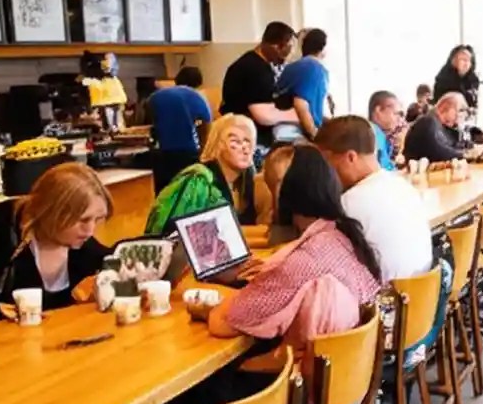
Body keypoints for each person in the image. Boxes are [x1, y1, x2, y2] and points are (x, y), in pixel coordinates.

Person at [202, 146, 382, 357]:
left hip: (294, 383)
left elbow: (222, 323)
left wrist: (205, 310)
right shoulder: (343, 237)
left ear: (287, 194)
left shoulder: (302, 263)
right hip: (346, 373)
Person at [0, 163, 112, 338]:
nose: (90, 230)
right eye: (83, 220)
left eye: (98, 220)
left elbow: (111, 263)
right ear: (53, 212)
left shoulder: (81, 248)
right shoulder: (0, 246)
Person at [315, 116, 432, 281]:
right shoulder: (405, 187)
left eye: (326, 162)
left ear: (350, 157)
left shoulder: (347, 205)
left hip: (383, 302)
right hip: (423, 297)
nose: (324, 172)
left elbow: (320, 263)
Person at [144, 114, 258, 236]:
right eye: (235, 141)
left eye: (248, 141)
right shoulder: (198, 181)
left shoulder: (247, 182)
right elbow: (181, 234)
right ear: (218, 144)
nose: (245, 148)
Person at [220, 21, 299, 167]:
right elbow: (264, 116)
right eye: (287, 51)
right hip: (248, 139)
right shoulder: (257, 71)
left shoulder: (252, 63)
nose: (286, 58)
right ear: (276, 46)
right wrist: (297, 115)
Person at [147, 66, 213, 191]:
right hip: (187, 153)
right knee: (187, 192)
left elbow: (151, 122)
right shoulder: (196, 97)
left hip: (161, 155)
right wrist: (204, 151)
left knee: (164, 193)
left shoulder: (155, 96)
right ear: (198, 83)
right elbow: (207, 126)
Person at [274, 28, 332, 139]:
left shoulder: (293, 67)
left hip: (281, 130)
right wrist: (314, 135)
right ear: (323, 47)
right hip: (296, 132)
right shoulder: (313, 68)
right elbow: (300, 104)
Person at [403, 92, 467, 162]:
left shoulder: (440, 125)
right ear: (448, 108)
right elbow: (437, 151)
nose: (461, 115)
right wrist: (465, 154)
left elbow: (453, 145)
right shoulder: (427, 121)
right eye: (461, 110)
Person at [434, 45, 479, 111]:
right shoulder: (444, 78)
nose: (466, 63)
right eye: (463, 60)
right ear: (454, 61)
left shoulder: (473, 79)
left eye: (469, 60)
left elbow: (473, 103)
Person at [367, 90, 404, 170]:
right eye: (395, 113)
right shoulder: (373, 134)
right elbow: (383, 171)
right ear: (379, 110)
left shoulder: (380, 134)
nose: (399, 119)